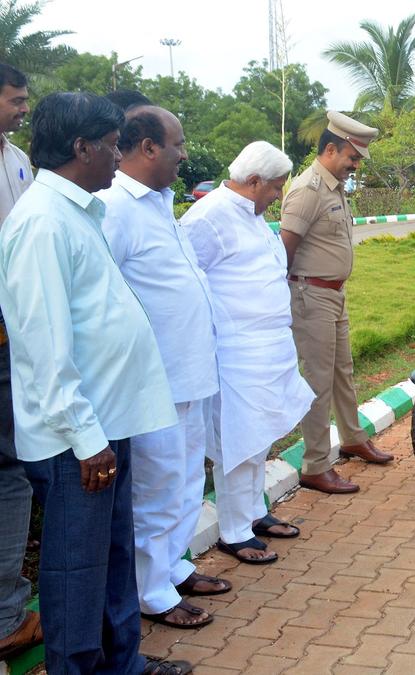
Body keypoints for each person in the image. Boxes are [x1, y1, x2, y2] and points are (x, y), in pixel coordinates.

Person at [0, 92, 189, 675]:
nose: (117, 156)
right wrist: (87, 440)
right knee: (76, 573)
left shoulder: (79, 211)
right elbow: (42, 348)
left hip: (107, 422)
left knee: (108, 561)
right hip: (76, 438)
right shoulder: (40, 223)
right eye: (110, 146)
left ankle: (121, 662)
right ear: (81, 147)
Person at [96, 105, 228, 630]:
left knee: (185, 477)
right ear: (147, 147)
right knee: (155, 487)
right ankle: (150, 592)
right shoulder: (114, 208)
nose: (184, 153)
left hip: (189, 371)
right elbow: (106, 296)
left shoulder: (157, 202)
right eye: (177, 143)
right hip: (153, 381)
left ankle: (171, 566)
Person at [182, 141, 314, 564]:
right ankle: (234, 530)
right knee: (236, 439)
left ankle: (255, 512)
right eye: (274, 187)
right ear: (254, 181)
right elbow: (189, 281)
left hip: (270, 347)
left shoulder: (253, 214)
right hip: (235, 350)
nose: (277, 196)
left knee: (258, 436)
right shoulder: (209, 215)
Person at [281, 111, 391, 495]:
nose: (355, 166)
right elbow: (285, 251)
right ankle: (314, 463)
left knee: (342, 372)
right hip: (311, 295)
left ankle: (352, 437)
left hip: (333, 295)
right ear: (330, 149)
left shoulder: (333, 187)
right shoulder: (309, 189)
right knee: (317, 382)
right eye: (352, 158)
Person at [0, 61, 40, 665]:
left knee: (10, 472)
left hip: (10, 341)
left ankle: (8, 614)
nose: (23, 109)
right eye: (15, 99)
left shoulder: (15, 158)